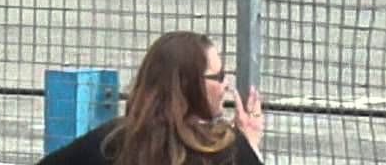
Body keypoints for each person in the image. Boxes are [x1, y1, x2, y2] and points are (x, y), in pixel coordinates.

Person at [37, 31, 263, 165]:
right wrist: (249, 147)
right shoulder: (224, 151)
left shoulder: (111, 143)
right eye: (219, 76)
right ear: (190, 84)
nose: (225, 85)